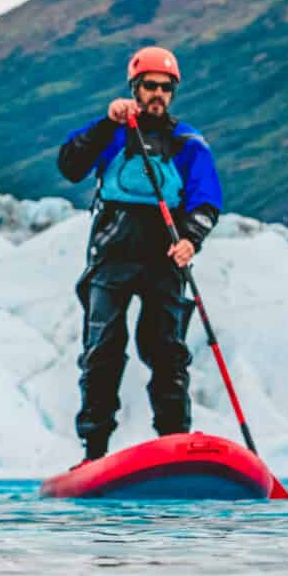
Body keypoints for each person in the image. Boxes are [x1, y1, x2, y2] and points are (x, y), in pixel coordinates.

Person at [55, 45, 223, 462]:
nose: (157, 94)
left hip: (166, 256)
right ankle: (94, 451)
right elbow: (70, 165)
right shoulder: (112, 132)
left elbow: (205, 200)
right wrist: (103, 124)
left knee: (167, 352)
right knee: (103, 350)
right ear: (135, 87)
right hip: (113, 252)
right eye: (150, 86)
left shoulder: (187, 143)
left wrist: (191, 239)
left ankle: (174, 444)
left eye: (166, 88)